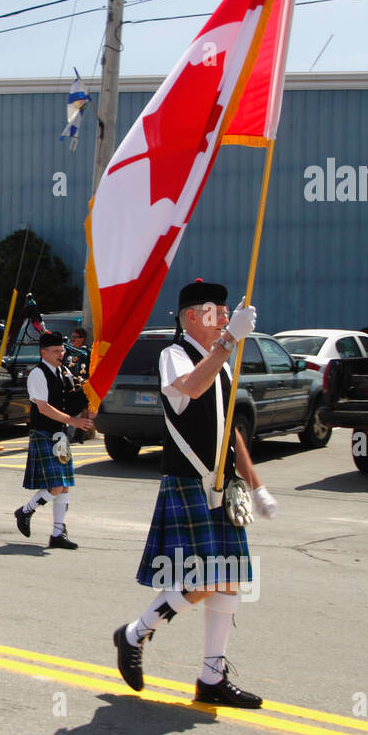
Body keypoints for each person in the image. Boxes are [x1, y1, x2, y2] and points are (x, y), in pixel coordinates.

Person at [111, 279, 277, 709]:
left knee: (229, 581)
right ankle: (135, 632)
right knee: (205, 579)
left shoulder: (221, 363)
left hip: (221, 484)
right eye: (215, 310)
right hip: (187, 481)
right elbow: (189, 388)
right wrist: (228, 340)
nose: (223, 316)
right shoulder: (174, 356)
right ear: (190, 316)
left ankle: (211, 677)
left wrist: (257, 486)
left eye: (226, 311)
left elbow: (230, 433)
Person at [13, 331, 96, 550]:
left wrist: (88, 405)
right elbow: (44, 407)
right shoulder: (38, 374)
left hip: (59, 434)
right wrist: (73, 422)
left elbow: (69, 400)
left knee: (64, 486)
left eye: (62, 350)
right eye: (56, 351)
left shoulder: (64, 371)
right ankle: (26, 510)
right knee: (57, 485)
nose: (61, 354)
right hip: (44, 433)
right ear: (44, 352)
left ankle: (58, 533)